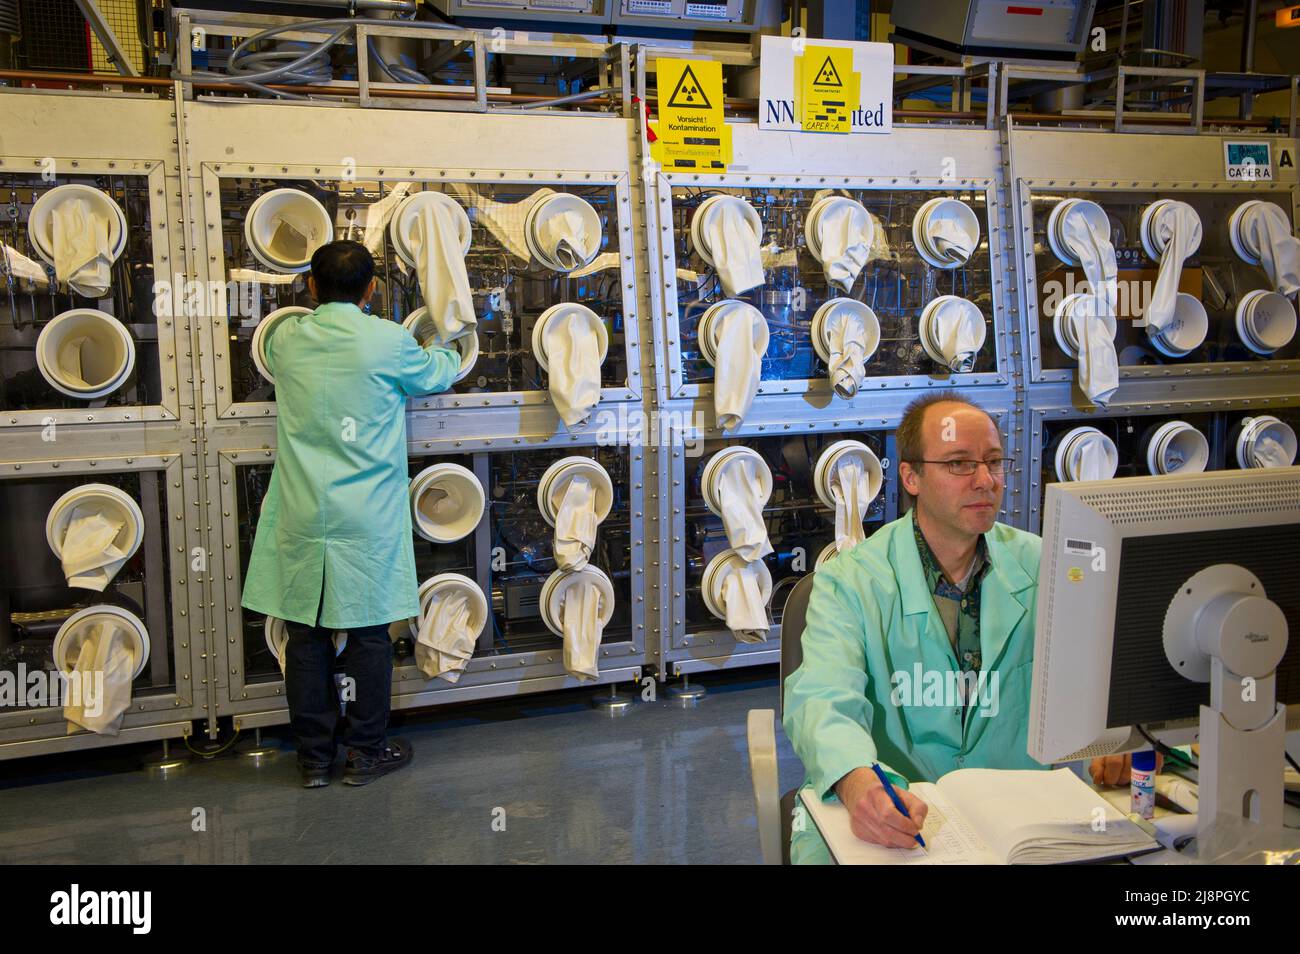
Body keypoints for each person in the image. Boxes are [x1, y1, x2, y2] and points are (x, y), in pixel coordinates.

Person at [783, 391, 1043, 863]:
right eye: (960, 464)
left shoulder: (1044, 565)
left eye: (993, 462)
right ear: (911, 477)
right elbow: (822, 699)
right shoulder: (851, 581)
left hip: (1016, 805)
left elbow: (1092, 681)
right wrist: (857, 780)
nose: (985, 480)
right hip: (898, 802)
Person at [241, 240, 460, 788]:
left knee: (307, 637)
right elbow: (438, 372)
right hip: (365, 515)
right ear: (371, 291)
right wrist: (451, 337)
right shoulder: (387, 340)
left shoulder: (285, 340)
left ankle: (314, 758)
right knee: (368, 637)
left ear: (311, 287)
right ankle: (365, 751)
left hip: (302, 511)